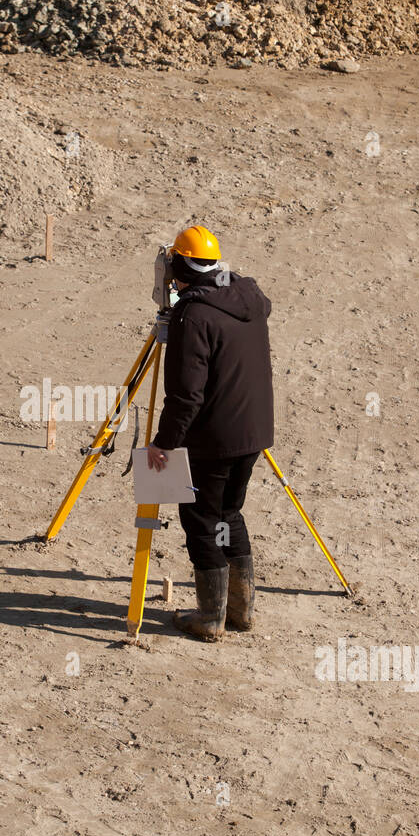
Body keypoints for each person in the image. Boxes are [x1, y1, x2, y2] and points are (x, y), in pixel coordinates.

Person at [146, 225, 274, 641]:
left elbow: (186, 395)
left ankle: (210, 618)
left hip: (214, 438)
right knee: (227, 515)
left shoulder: (192, 315)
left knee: (201, 519)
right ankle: (241, 612)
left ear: (179, 265)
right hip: (251, 432)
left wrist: (163, 444)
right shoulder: (246, 295)